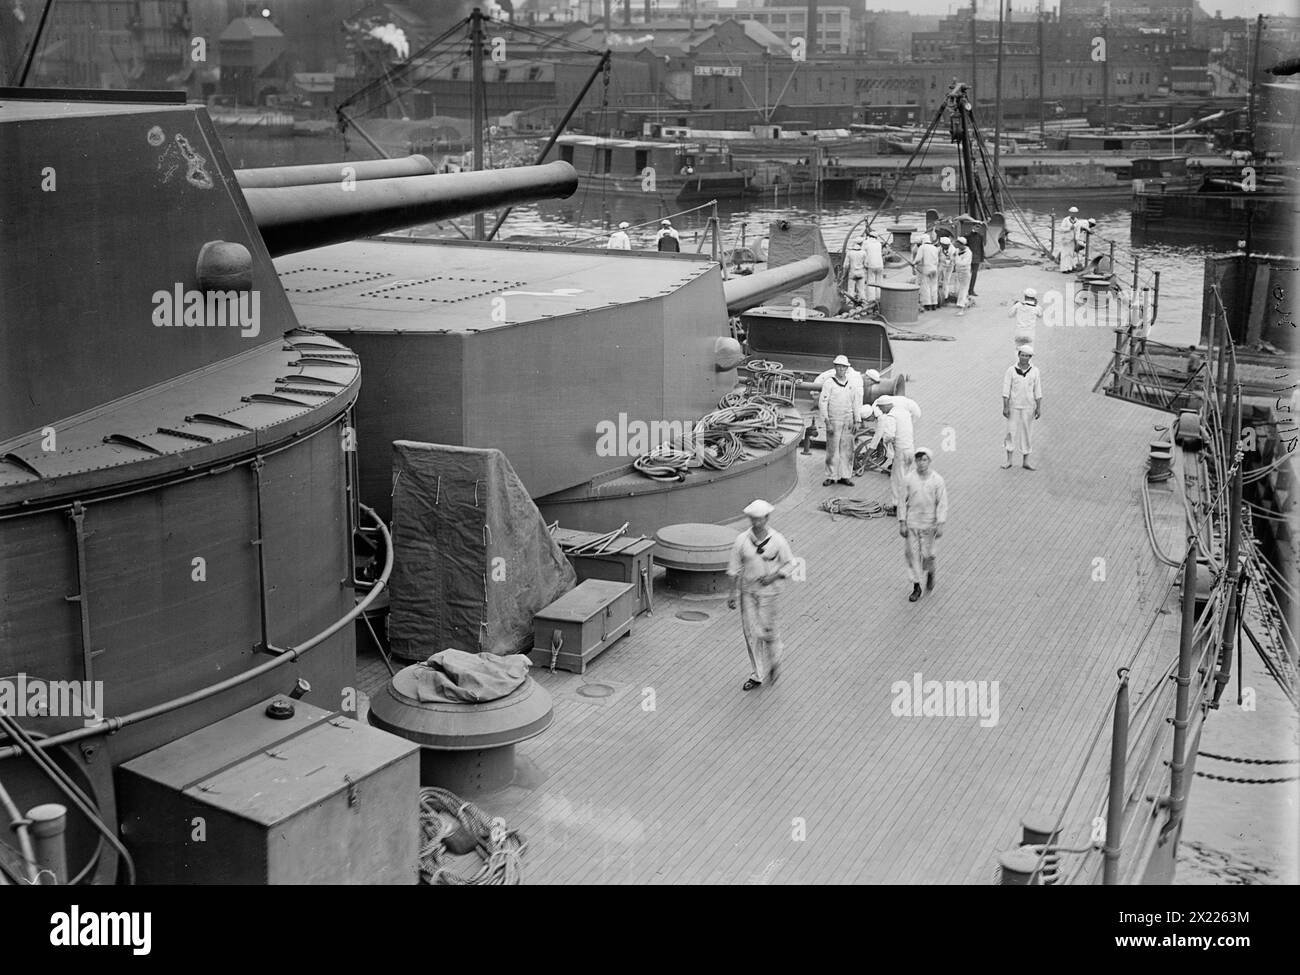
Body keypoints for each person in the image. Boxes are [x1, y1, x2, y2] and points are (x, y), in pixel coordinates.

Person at [726, 499, 796, 691]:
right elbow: (734, 568)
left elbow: (790, 563)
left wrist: (773, 577)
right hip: (748, 592)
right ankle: (757, 674)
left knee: (767, 632)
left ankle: (775, 657)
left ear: (767, 518)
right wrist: (732, 593)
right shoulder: (742, 540)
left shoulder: (778, 540)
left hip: (769, 593)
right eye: (753, 519)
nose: (757, 523)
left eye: (760, 519)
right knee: (750, 632)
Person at [898, 447, 948, 602]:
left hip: (929, 524)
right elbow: (901, 501)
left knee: (928, 555)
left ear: (929, 461)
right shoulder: (908, 479)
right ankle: (916, 586)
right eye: (918, 459)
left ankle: (930, 572)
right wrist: (902, 522)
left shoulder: (937, 480)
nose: (921, 463)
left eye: (924, 459)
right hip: (912, 522)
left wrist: (940, 523)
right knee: (911, 555)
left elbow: (942, 503)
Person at [817, 354, 864, 486]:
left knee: (847, 450)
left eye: (843, 367)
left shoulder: (852, 384)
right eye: (839, 367)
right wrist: (827, 422)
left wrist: (857, 420)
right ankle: (831, 476)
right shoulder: (829, 383)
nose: (841, 369)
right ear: (835, 367)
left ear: (847, 368)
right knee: (832, 450)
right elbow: (823, 403)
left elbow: (856, 403)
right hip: (834, 419)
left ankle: (845, 476)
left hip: (848, 420)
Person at [869, 393, 917, 515]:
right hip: (910, 449)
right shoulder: (904, 413)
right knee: (906, 477)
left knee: (897, 480)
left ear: (885, 406)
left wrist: (884, 440)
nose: (880, 411)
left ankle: (897, 507)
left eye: (881, 408)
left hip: (900, 452)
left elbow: (890, 435)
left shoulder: (891, 416)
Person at [1002, 344, 1043, 470]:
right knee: (1010, 431)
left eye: (1027, 356)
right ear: (1018, 355)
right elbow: (1006, 390)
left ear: (1030, 357)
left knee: (1027, 432)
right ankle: (1009, 460)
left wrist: (1038, 407)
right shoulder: (1011, 370)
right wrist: (1005, 406)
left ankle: (1026, 461)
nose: (1024, 358)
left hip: (1028, 406)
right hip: (1014, 406)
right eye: (1022, 355)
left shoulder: (1035, 371)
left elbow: (1038, 390)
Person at [916, 235, 940, 311]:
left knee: (925, 286)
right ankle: (934, 303)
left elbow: (918, 259)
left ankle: (927, 304)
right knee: (934, 286)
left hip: (926, 268)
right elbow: (937, 260)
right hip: (934, 268)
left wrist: (913, 263)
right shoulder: (934, 248)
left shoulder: (922, 247)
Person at [951, 236, 973, 315]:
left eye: (957, 243)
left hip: (965, 272)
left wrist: (956, 259)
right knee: (960, 288)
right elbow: (952, 258)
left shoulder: (968, 252)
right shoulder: (957, 250)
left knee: (963, 289)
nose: (955, 244)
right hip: (958, 272)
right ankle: (966, 301)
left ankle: (961, 308)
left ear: (961, 244)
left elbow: (963, 263)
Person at [845, 241, 870, 305]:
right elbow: (866, 264)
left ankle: (850, 303)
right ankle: (863, 302)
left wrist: (844, 274)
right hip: (861, 273)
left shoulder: (849, 253)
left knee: (851, 289)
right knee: (861, 289)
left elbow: (846, 265)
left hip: (852, 273)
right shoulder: (863, 253)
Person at [1058, 206, 1081, 273]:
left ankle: (1069, 268)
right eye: (1072, 213)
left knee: (1071, 254)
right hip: (1065, 239)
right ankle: (1064, 269)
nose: (1073, 214)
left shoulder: (1078, 222)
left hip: (1072, 240)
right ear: (1069, 213)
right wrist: (1069, 228)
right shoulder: (1065, 220)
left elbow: (1078, 232)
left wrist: (1076, 240)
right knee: (1065, 254)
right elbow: (1061, 229)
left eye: (1074, 213)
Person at [863, 232, 885, 301]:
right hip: (880, 265)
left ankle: (871, 299)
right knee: (879, 282)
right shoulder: (879, 244)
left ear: (869, 236)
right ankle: (879, 297)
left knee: (871, 282)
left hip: (871, 265)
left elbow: (863, 253)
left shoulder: (866, 243)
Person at [966, 222, 986, 297]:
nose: (977, 228)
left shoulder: (980, 236)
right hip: (968, 258)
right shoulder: (967, 236)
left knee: (974, 275)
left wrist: (982, 259)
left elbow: (981, 248)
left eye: (979, 227)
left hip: (977, 258)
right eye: (976, 226)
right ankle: (965, 290)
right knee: (967, 275)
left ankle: (971, 290)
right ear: (973, 227)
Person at [937, 235, 954, 305]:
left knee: (946, 281)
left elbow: (951, 260)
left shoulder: (952, 250)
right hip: (941, 265)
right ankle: (937, 294)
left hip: (949, 266)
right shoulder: (939, 248)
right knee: (937, 279)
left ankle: (945, 297)